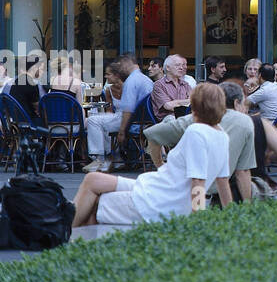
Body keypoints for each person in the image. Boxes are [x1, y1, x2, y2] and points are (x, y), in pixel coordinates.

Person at [74, 82, 232, 228]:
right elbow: (223, 181)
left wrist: (196, 222)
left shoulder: (196, 132)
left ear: (195, 107)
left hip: (158, 200)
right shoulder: (222, 135)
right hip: (157, 186)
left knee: (93, 202)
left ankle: (63, 237)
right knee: (93, 179)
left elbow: (198, 181)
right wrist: (232, 218)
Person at [145, 81, 257, 203]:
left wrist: (161, 166)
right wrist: (243, 210)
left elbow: (153, 134)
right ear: (236, 103)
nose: (246, 109)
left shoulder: (194, 125)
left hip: (170, 193)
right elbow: (231, 177)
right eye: (244, 104)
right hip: (193, 197)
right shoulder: (233, 128)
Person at [85, 55, 154, 173]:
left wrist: (122, 131)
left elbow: (128, 109)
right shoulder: (146, 79)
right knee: (103, 122)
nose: (120, 68)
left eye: (121, 65)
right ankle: (114, 158)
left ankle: (99, 158)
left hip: (131, 120)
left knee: (93, 120)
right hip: (143, 121)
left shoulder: (131, 81)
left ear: (127, 63)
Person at [150, 54, 191, 119]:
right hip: (167, 121)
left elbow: (194, 102)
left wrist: (176, 103)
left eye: (182, 65)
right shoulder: (159, 85)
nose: (181, 68)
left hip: (184, 118)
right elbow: (168, 106)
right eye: (177, 65)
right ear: (168, 68)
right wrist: (187, 102)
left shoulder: (185, 84)